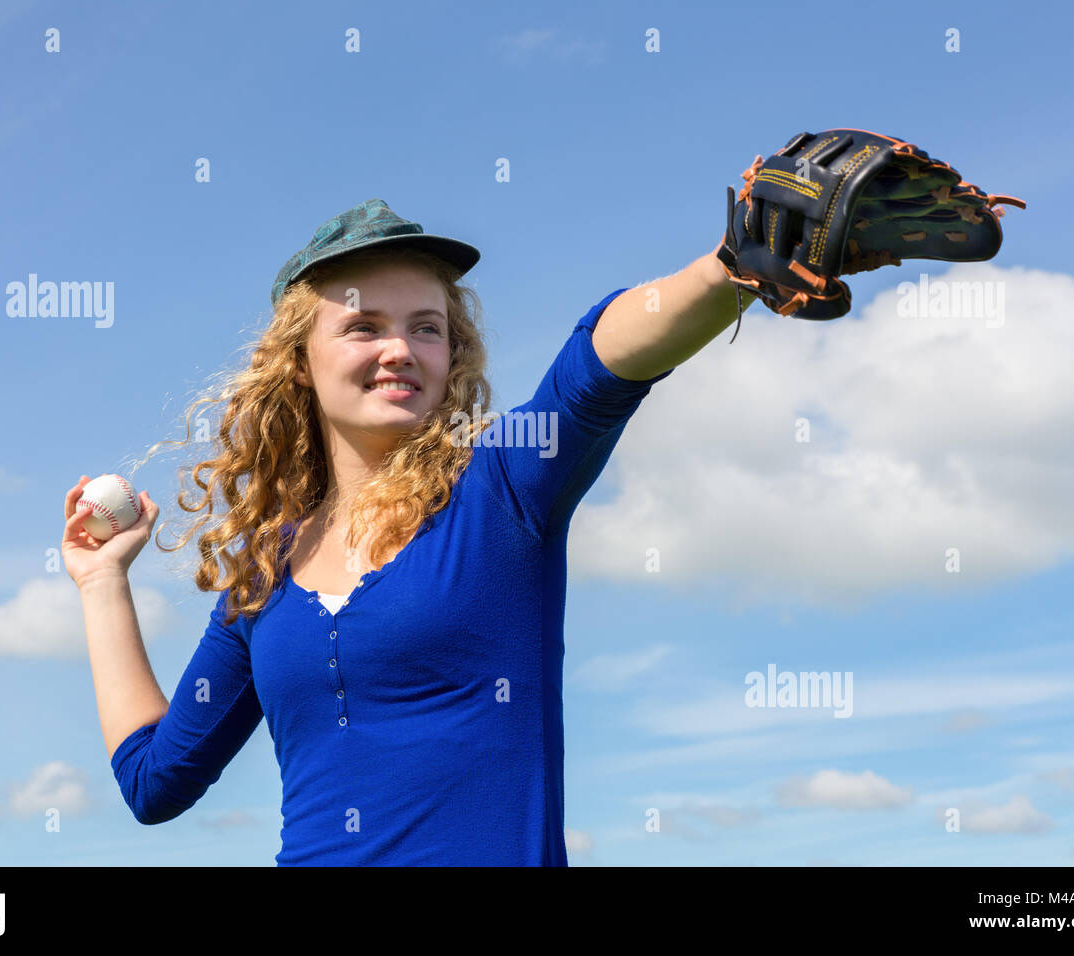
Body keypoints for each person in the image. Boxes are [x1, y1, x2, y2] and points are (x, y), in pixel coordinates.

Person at [62, 198, 751, 865]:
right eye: (364, 326)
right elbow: (154, 783)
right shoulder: (260, 575)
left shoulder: (503, 489)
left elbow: (596, 368)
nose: (400, 349)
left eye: (427, 328)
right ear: (300, 360)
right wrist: (101, 582)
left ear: (453, 353)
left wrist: (731, 268)